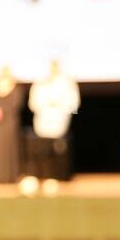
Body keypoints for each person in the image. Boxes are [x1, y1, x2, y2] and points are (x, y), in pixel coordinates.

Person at [26, 59, 80, 187]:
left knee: (58, 150)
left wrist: (60, 107)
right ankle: (41, 176)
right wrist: (46, 105)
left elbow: (74, 105)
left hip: (59, 122)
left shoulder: (67, 82)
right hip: (42, 122)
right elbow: (33, 103)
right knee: (41, 150)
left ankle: (57, 177)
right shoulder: (40, 82)